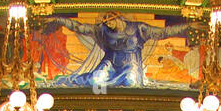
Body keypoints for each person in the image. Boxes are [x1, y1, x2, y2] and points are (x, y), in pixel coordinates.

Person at [45, 13, 187, 90]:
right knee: (95, 81)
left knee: (130, 83)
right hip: (110, 63)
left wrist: (188, 27)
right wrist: (59, 19)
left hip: (130, 65)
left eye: (110, 21)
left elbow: (165, 32)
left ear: (117, 18)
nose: (108, 25)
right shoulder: (102, 30)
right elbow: (79, 27)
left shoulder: (139, 29)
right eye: (106, 23)